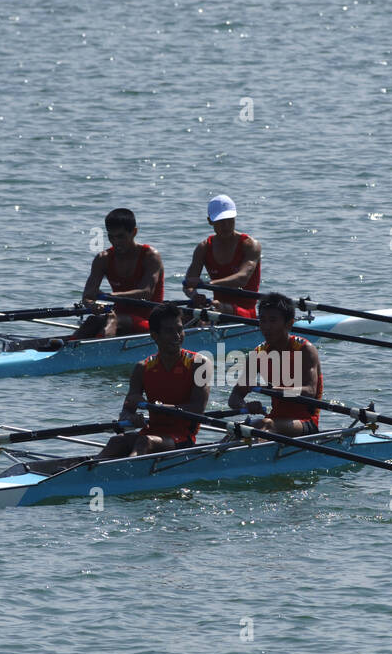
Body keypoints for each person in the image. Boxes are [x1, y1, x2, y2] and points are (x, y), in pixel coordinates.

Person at [100, 303, 212, 458]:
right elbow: (127, 409)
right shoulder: (142, 368)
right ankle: (83, 474)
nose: (177, 336)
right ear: (154, 335)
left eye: (179, 329)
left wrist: (161, 407)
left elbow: (198, 408)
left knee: (144, 442)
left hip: (182, 437)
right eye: (169, 331)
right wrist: (130, 418)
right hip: (151, 432)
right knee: (116, 441)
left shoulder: (199, 363)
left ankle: (130, 475)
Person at [227, 292, 322, 437]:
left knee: (265, 424)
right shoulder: (259, 353)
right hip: (275, 418)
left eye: (272, 321)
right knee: (237, 429)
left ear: (289, 323)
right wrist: (245, 406)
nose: (266, 327)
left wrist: (273, 389)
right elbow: (235, 396)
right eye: (262, 320)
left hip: (305, 421)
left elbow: (310, 392)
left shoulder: (305, 349)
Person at [67, 208, 165, 342]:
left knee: (113, 319)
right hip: (117, 316)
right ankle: (65, 350)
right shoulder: (103, 259)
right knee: (93, 320)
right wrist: (92, 305)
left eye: (120, 236)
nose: (116, 242)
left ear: (134, 232)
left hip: (152, 321)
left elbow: (146, 293)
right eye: (111, 237)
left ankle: (102, 353)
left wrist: (110, 296)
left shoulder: (150, 256)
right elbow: (87, 296)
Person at [182, 194, 262, 319]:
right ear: (210, 221)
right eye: (220, 221)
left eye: (230, 220)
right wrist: (194, 296)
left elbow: (242, 279)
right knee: (186, 312)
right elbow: (188, 283)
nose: (226, 226)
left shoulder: (250, 245)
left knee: (219, 308)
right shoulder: (203, 248)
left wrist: (207, 284)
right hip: (217, 306)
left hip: (246, 312)